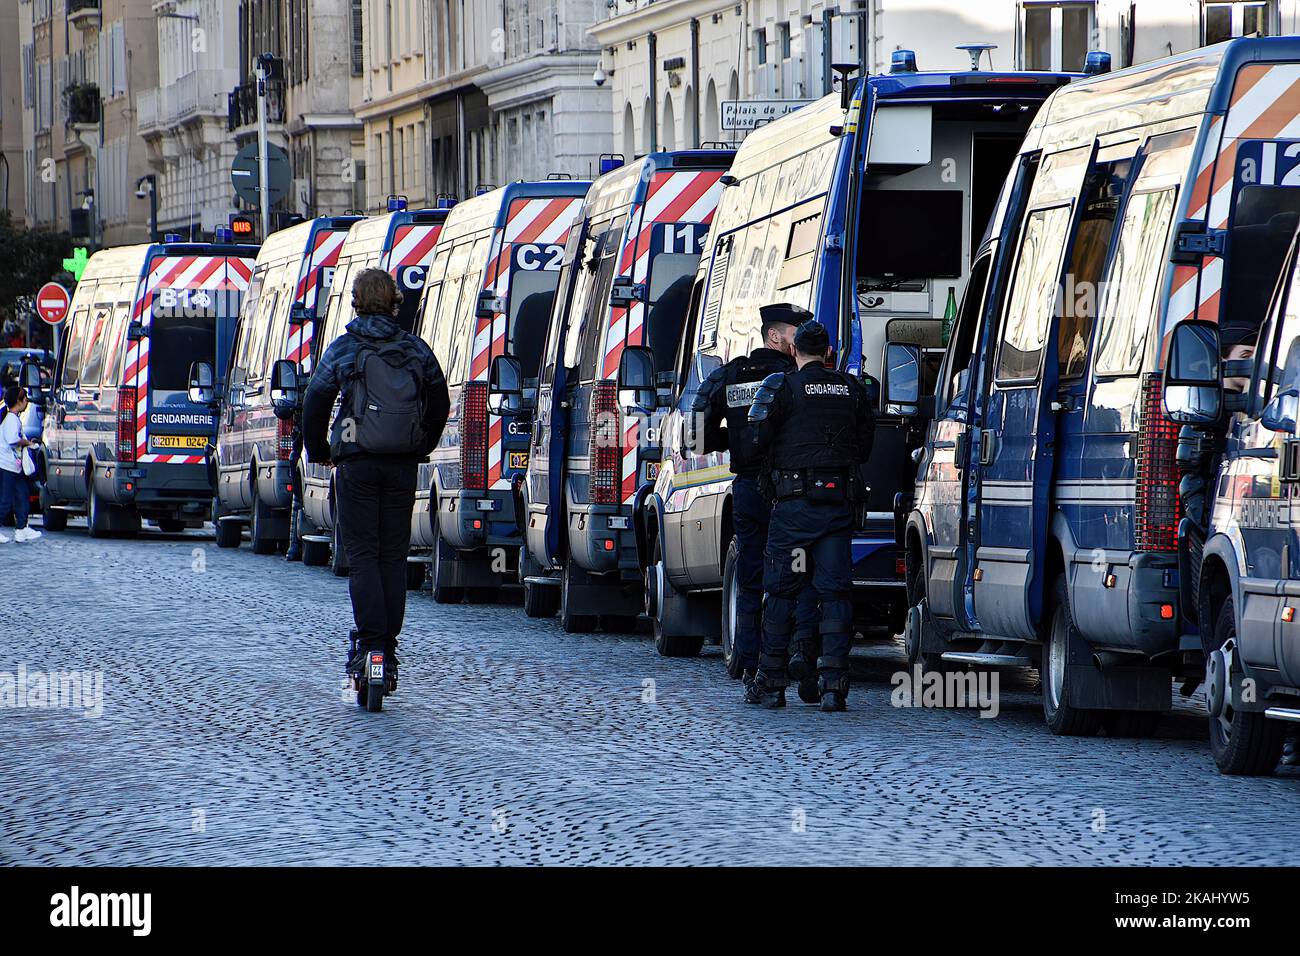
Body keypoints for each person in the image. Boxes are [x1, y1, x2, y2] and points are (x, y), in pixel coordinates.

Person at [301, 269, 451, 684]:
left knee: (363, 555)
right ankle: (387, 646)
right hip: (402, 463)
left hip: (356, 463)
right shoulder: (415, 349)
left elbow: (315, 400)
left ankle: (369, 646)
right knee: (392, 555)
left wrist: (319, 450)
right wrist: (422, 443)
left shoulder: (345, 348)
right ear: (395, 302)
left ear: (356, 302)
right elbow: (440, 400)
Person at [693, 303, 820, 705]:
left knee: (749, 576)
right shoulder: (797, 377)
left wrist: (728, 440)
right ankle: (799, 660)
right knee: (798, 576)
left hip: (748, 489)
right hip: (790, 491)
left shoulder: (730, 374)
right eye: (794, 332)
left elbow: (696, 429)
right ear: (774, 337)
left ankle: (751, 663)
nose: (799, 339)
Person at [748, 319, 875, 712]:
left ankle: (771, 683)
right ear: (829, 353)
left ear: (793, 350)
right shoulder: (852, 389)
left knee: (782, 592)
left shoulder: (781, 386)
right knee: (835, 594)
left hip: (793, 509)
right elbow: (866, 444)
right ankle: (833, 685)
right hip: (836, 508)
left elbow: (757, 439)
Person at [0, 385, 41, 543]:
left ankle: (22, 529)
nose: (27, 402)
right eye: (25, 399)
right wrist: (27, 443)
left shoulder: (12, 418)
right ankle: (19, 528)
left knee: (22, 495)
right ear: (19, 401)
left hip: (13, 465)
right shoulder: (11, 419)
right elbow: (12, 440)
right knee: (5, 499)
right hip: (7, 465)